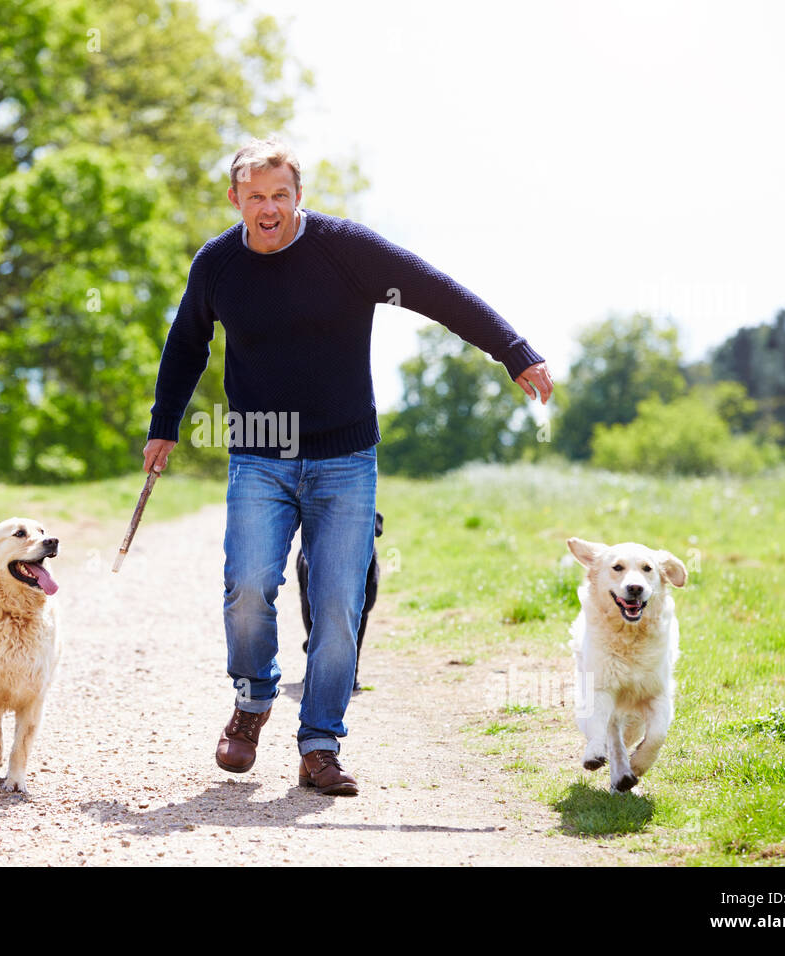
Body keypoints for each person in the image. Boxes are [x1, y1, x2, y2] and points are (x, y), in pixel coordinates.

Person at [142, 137, 553, 796]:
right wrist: (164, 427)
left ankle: (320, 744)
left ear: (297, 195)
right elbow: (187, 342)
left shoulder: (344, 250)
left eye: (280, 195)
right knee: (247, 587)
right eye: (256, 197)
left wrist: (513, 349)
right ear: (235, 199)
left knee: (338, 607)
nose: (269, 208)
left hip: (345, 458)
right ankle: (251, 704)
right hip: (259, 453)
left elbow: (432, 289)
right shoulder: (216, 265)